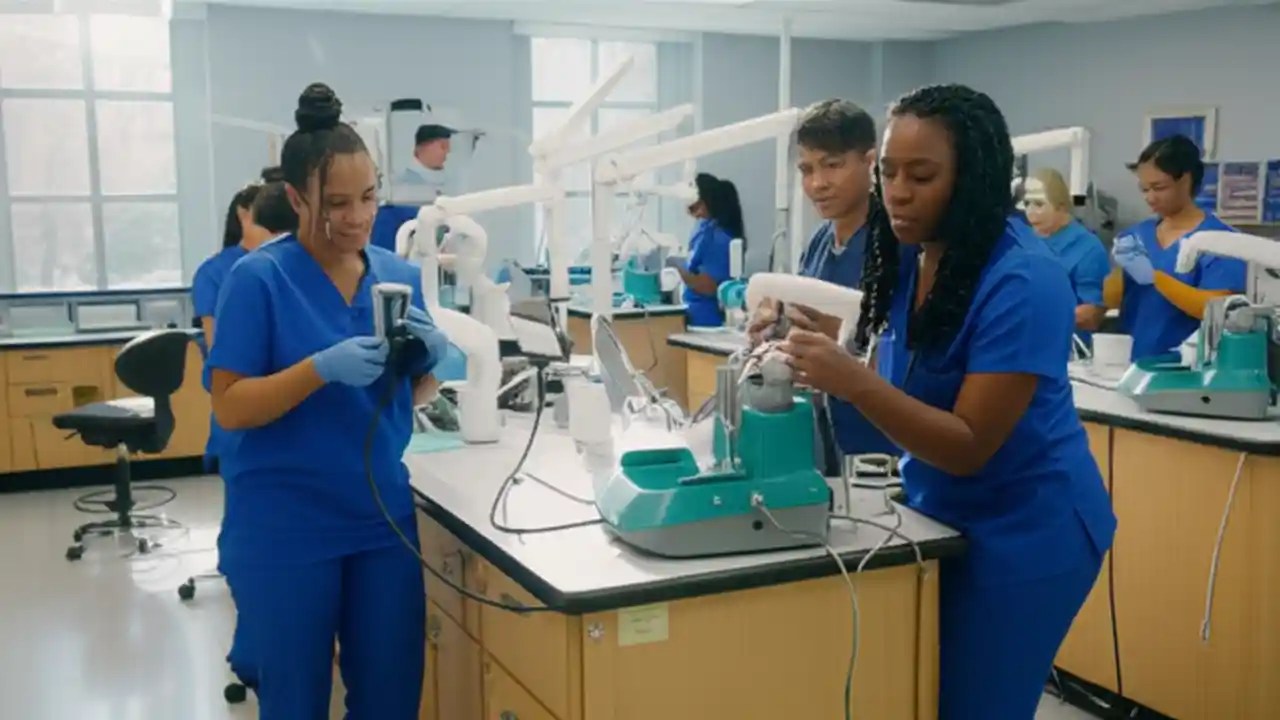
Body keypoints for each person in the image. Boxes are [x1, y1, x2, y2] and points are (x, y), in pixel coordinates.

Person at [775, 84, 1116, 719]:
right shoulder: (913, 253)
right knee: (915, 693)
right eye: (888, 172)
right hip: (942, 517)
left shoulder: (1026, 278)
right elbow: (919, 372)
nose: (898, 192)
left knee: (974, 707)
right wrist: (838, 351)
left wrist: (852, 379)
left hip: (1028, 530)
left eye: (922, 175)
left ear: (975, 177)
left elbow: (968, 444)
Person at [208, 82, 450, 719]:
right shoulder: (258, 279)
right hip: (286, 523)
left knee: (391, 696)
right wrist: (319, 369)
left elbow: (414, 394)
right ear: (294, 199)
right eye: (335, 203)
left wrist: (431, 360)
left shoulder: (396, 276)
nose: (357, 216)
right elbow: (230, 405)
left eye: (368, 197)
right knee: (295, 700)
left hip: (379, 517)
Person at [748, 99, 896, 467]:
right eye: (807, 169)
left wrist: (841, 338)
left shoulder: (896, 246)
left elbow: (909, 358)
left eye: (833, 165)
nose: (817, 183)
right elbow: (806, 322)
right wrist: (774, 330)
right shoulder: (819, 242)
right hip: (827, 432)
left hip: (884, 445)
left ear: (870, 161)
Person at [1107, 135, 1246, 360]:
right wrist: (1120, 270)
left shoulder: (1221, 242)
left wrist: (1156, 278)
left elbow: (1216, 312)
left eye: (1158, 187)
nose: (1150, 198)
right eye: (1144, 189)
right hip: (1131, 365)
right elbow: (1111, 301)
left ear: (1186, 180)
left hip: (1187, 370)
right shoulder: (1136, 235)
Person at [1022, 168, 1110, 341]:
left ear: (1061, 207)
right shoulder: (1024, 242)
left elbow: (1091, 315)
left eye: (1039, 204)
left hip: (1066, 352)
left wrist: (1038, 317)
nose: (1030, 212)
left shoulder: (1087, 249)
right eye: (1027, 204)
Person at [666, 172, 744, 327]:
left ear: (705, 202)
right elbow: (695, 263)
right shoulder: (703, 229)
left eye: (696, 206)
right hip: (692, 310)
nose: (694, 214)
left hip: (707, 318)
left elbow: (709, 286)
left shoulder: (719, 238)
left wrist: (677, 271)